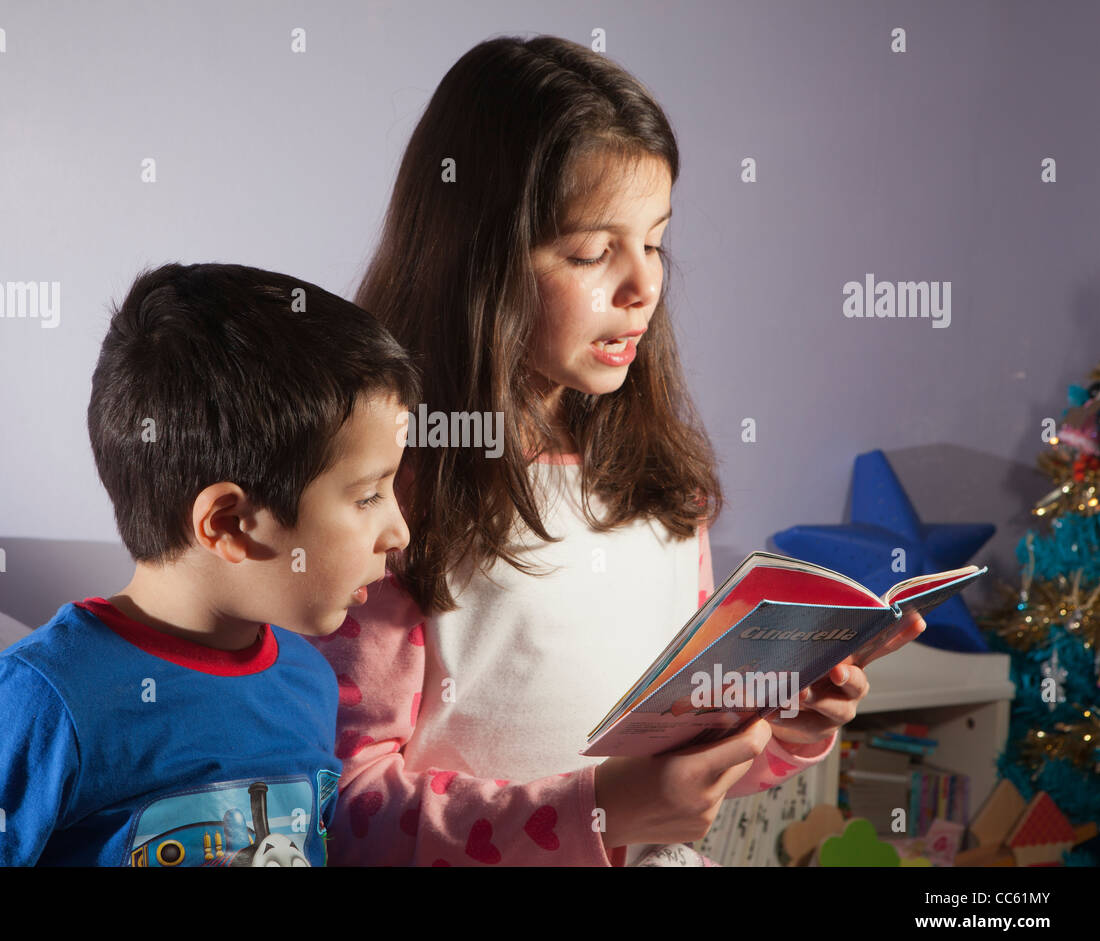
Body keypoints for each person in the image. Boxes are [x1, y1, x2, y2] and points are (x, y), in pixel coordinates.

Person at [304, 35, 926, 866]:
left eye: (656, 241)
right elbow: (342, 810)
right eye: (594, 252)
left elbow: (681, 775)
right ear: (477, 257)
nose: (643, 287)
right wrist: (593, 811)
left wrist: (781, 729)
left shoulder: (657, 484)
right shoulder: (389, 498)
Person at [0, 263, 418, 867]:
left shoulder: (308, 683)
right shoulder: (42, 703)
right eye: (368, 495)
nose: (399, 530)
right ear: (229, 525)